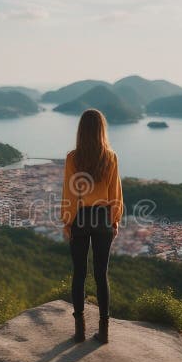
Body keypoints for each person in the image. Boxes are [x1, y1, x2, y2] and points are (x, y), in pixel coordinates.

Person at [60, 109, 123, 344]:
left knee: (79, 274)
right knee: (100, 274)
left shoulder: (72, 158)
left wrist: (67, 221)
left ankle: (79, 331)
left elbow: (69, 192)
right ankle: (104, 331)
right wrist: (114, 219)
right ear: (102, 130)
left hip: (80, 217)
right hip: (103, 217)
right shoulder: (111, 157)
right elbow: (115, 192)